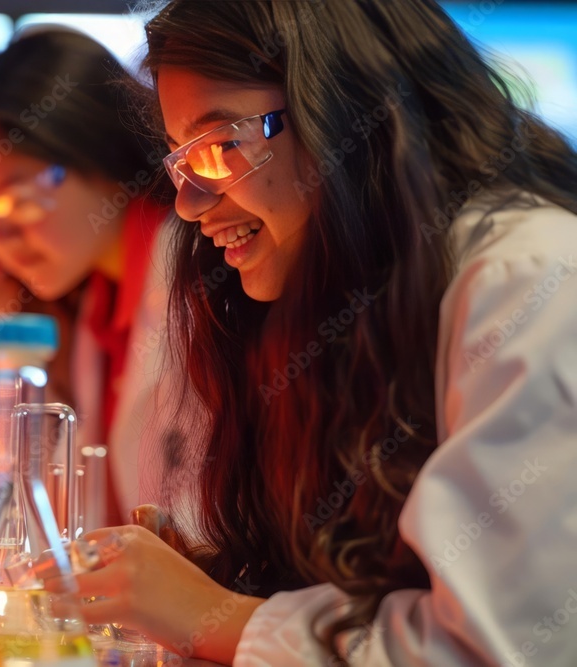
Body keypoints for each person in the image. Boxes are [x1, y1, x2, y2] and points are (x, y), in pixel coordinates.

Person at [72, 1, 577, 665]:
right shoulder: (343, 291)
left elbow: (494, 645)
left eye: (222, 148)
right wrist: (221, 580)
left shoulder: (530, 278)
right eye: (179, 163)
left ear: (348, 117)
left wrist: (212, 615)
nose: (190, 205)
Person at [0, 28, 176, 526]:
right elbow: (65, 504)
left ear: (97, 145)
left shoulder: (198, 279)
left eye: (14, 198)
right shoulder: (99, 303)